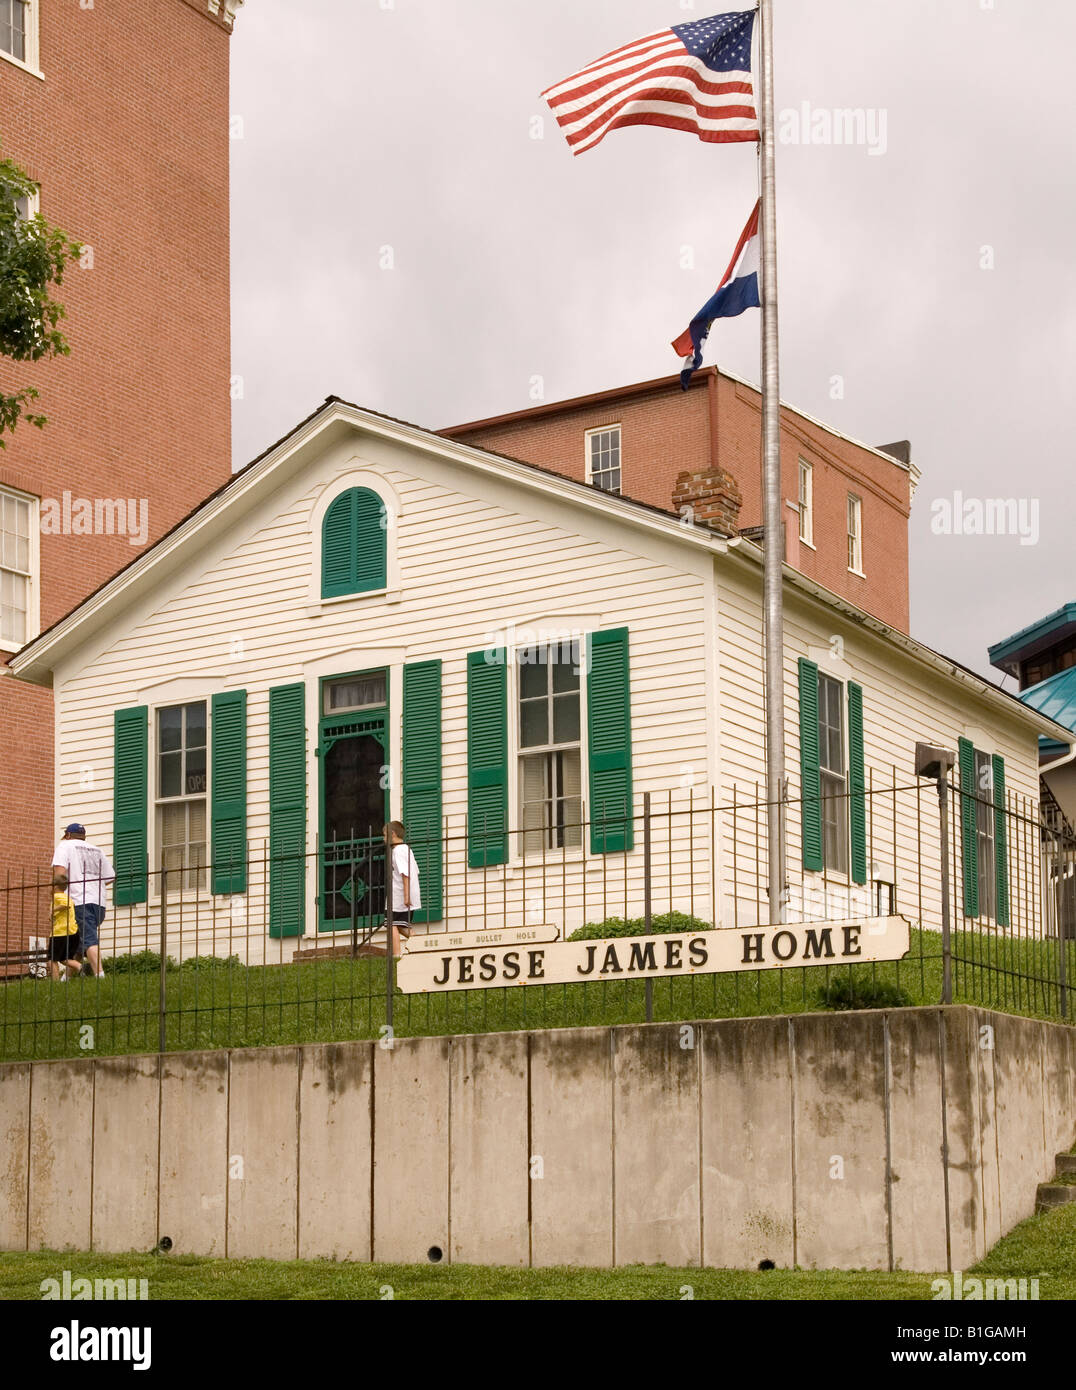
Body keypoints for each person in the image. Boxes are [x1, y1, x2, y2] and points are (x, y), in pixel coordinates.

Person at [51, 823, 115, 978]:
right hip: (99, 903)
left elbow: (60, 875)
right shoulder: (96, 850)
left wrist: (58, 897)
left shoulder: (64, 846)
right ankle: (65, 980)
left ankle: (101, 976)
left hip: (79, 901)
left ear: (67, 835)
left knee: (89, 939)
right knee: (79, 945)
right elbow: (110, 877)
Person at [384, 821, 421, 958]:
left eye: (384, 835)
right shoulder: (407, 849)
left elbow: (405, 873)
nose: (383, 839)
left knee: (391, 924)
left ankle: (396, 955)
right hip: (405, 893)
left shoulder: (398, 851)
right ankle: (420, 944)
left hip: (399, 895)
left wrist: (406, 896)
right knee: (401, 926)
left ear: (392, 834)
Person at [48, 877, 83, 982]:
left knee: (52, 960)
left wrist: (52, 910)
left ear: (55, 887)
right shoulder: (66, 897)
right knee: (64, 959)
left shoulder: (57, 896)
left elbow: (66, 905)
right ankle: (80, 967)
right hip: (72, 931)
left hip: (60, 932)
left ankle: (55, 984)